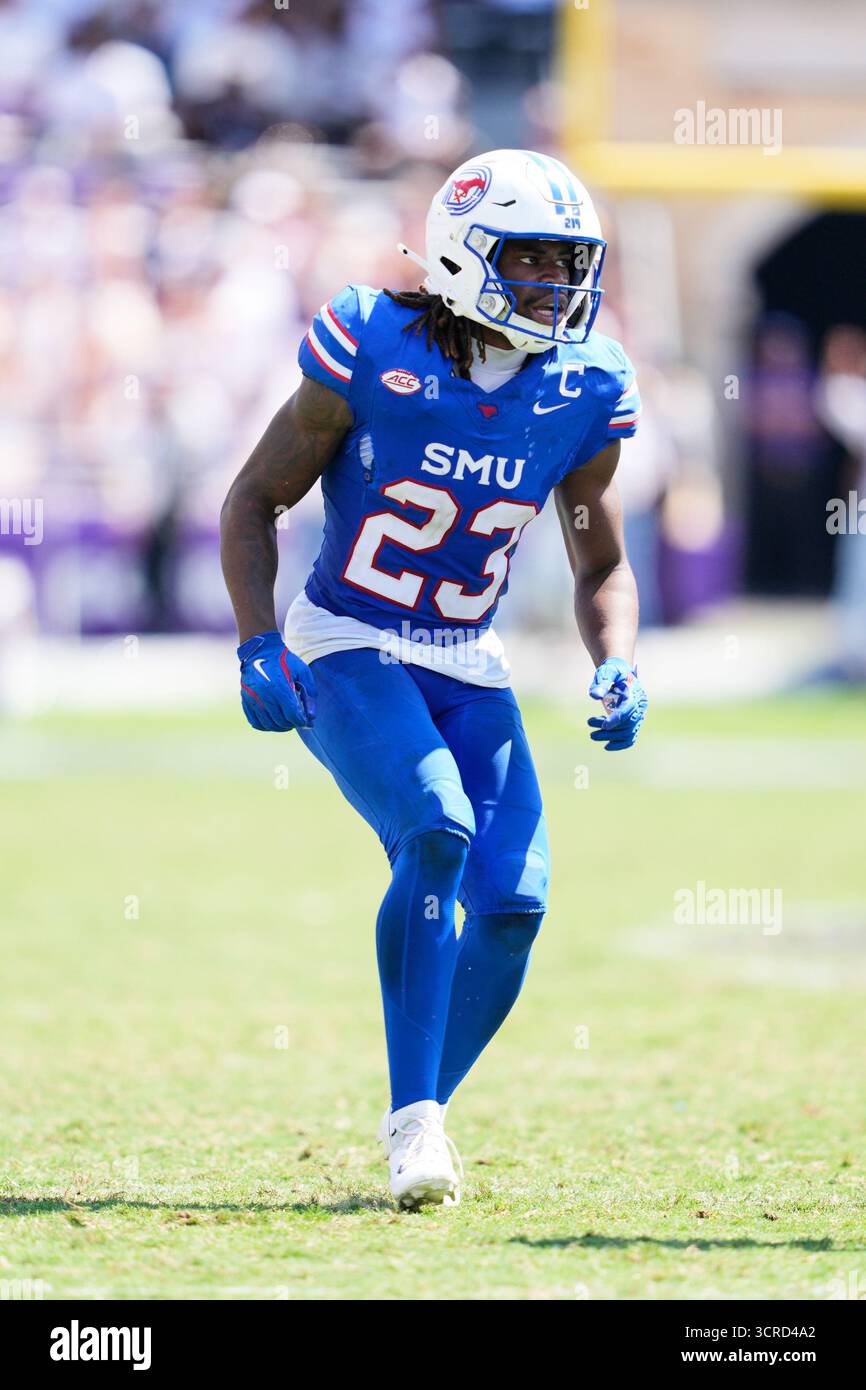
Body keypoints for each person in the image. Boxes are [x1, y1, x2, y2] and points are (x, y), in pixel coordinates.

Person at [220, 149, 648, 1209]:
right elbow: (252, 499)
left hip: (465, 654)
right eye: (533, 261)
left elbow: (599, 560)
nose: (558, 286)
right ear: (465, 257)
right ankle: (416, 1125)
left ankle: (421, 1113)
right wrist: (252, 637)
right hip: (347, 631)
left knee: (515, 899)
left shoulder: (586, 384)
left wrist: (618, 659)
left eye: (571, 263)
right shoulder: (374, 338)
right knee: (436, 828)